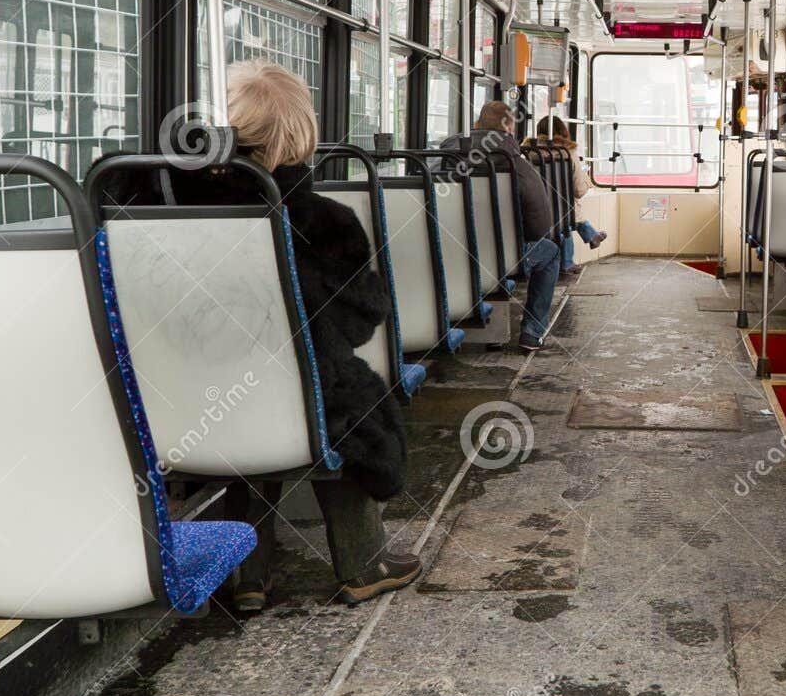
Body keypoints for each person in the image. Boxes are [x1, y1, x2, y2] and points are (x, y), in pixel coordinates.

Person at [164, 61, 417, 611]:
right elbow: (356, 322)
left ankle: (247, 577)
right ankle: (362, 562)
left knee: (251, 407)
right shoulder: (324, 222)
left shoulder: (162, 214)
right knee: (341, 403)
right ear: (301, 137)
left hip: (182, 406)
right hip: (295, 406)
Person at [443, 100, 560, 352]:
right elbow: (540, 225)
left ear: (476, 125)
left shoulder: (443, 159)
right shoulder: (519, 166)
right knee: (550, 251)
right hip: (501, 260)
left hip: (446, 251)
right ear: (509, 129)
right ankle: (531, 332)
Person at [536, 116, 609, 274]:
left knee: (564, 211)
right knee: (567, 216)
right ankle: (568, 261)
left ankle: (592, 236)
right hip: (563, 209)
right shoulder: (567, 152)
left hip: (536, 203)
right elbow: (578, 190)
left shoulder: (530, 152)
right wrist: (588, 181)